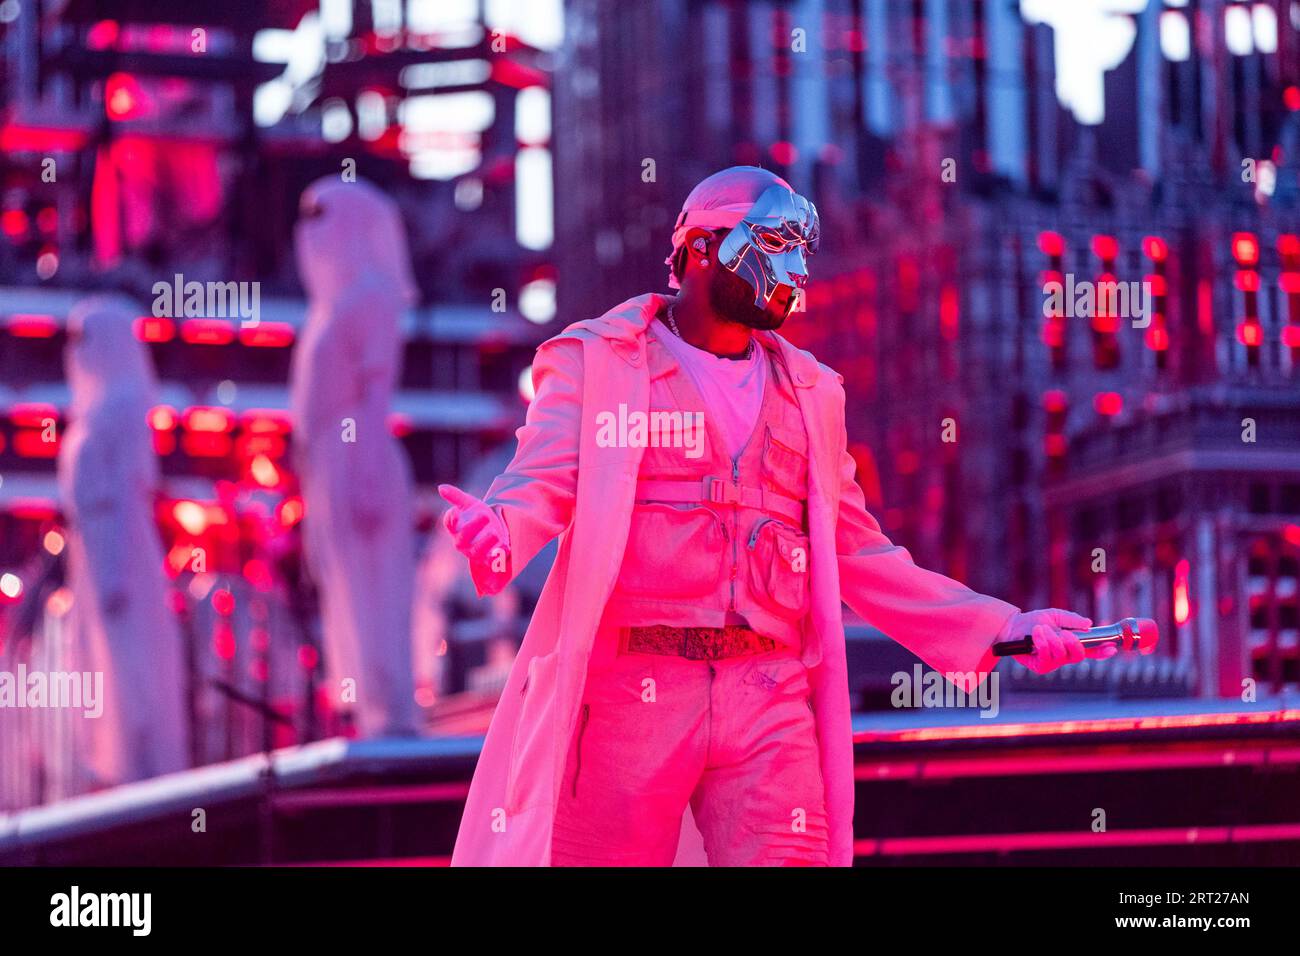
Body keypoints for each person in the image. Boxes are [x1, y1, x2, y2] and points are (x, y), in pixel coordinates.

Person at [439, 166, 1114, 866]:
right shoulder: (599, 362)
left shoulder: (811, 393)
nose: (795, 271)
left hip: (767, 694)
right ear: (702, 249)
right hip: (630, 693)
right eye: (774, 243)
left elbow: (860, 553)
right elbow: (542, 479)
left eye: (801, 250)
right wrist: (500, 532)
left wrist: (1001, 627)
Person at [289, 176, 420, 737]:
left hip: (359, 457)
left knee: (374, 592)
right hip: (332, 464)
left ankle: (389, 716)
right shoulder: (332, 305)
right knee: (347, 593)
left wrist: (363, 472)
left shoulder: (370, 297)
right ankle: (370, 714)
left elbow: (374, 393)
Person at [58, 295, 188, 786]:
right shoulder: (97, 409)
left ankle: (140, 764)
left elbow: (127, 493)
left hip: (119, 555)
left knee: (130, 664)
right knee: (103, 660)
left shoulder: (122, 406)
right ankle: (117, 766)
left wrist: (114, 571)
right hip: (94, 556)